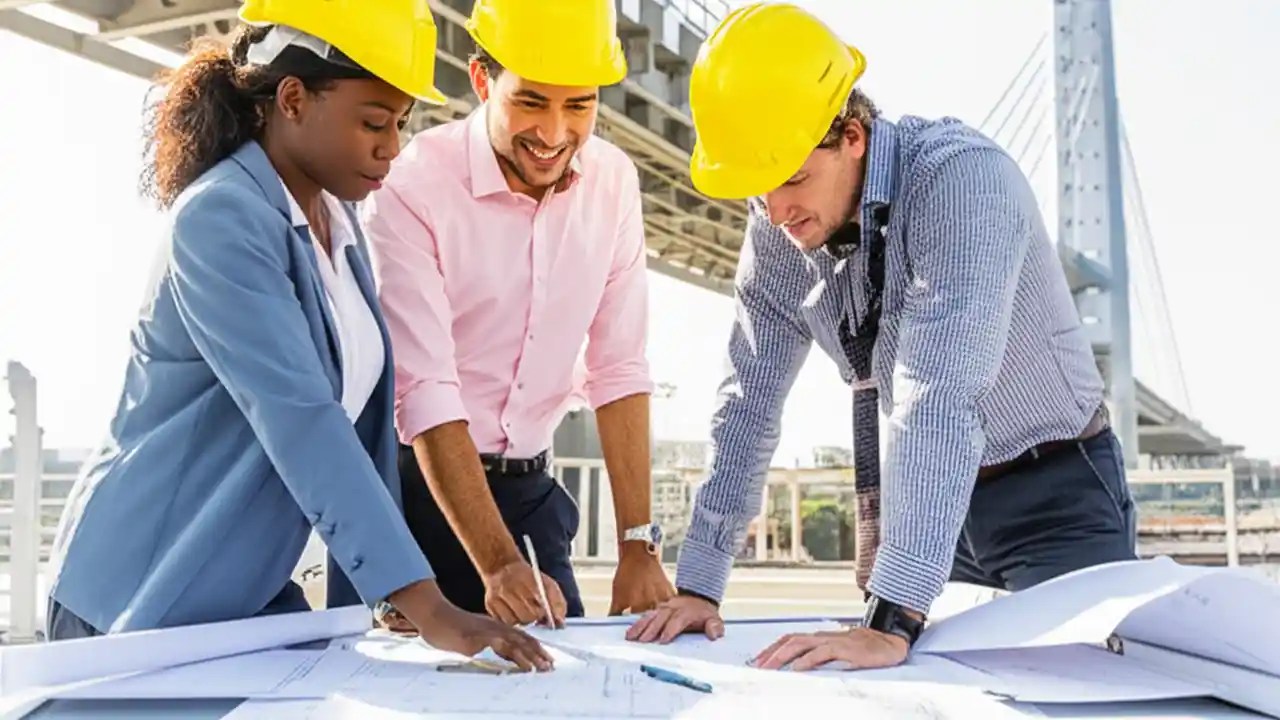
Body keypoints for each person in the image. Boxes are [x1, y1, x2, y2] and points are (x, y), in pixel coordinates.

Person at [44, 0, 552, 671]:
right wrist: (428, 602)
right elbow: (301, 415)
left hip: (241, 595)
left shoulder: (338, 227)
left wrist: (381, 593)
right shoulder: (220, 218)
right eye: (373, 122)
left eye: (401, 123)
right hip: (142, 589)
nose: (391, 147)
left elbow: (360, 423)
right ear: (292, 98)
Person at [627, 2, 1137, 670]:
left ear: (853, 135)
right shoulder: (778, 225)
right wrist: (700, 583)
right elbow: (748, 398)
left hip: (1053, 498)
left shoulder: (962, 184)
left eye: (792, 178)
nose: (775, 212)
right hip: (925, 508)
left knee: (1083, 691)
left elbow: (937, 394)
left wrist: (893, 616)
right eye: (755, 188)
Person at [362, 0, 675, 630]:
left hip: (533, 496)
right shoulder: (412, 184)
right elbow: (425, 390)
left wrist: (638, 547)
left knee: (569, 684)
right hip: (417, 494)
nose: (555, 134)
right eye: (530, 102)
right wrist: (498, 566)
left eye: (579, 106)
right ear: (482, 81)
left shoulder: (614, 182)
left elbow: (618, 367)